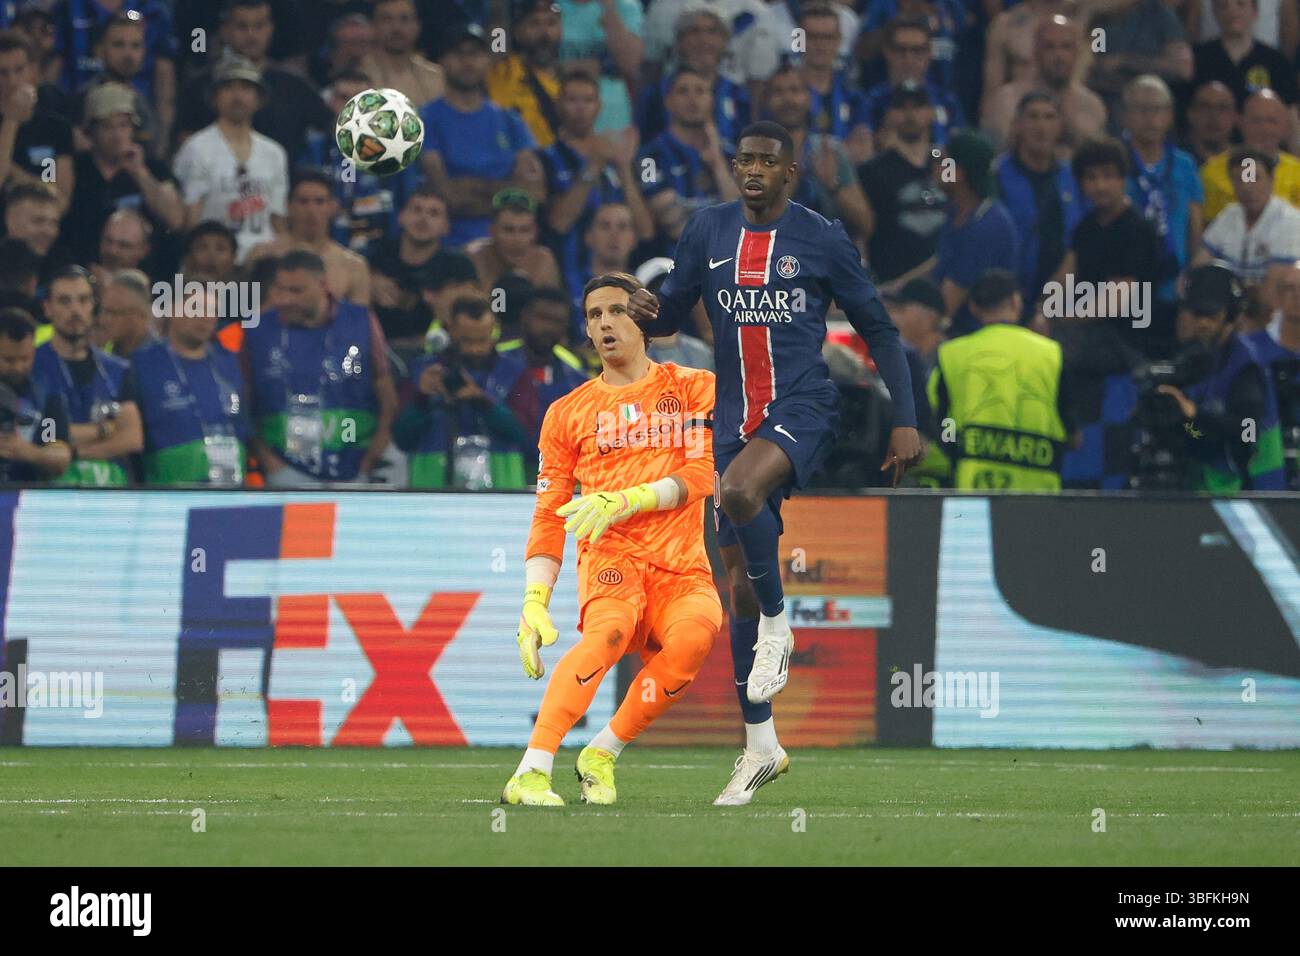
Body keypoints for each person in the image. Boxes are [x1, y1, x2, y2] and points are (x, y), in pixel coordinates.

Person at [627, 120, 921, 805]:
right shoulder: (706, 230)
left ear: (790, 171)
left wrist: (906, 417)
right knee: (734, 585)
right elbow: (672, 314)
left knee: (736, 493)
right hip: (732, 417)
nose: (753, 169)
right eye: (744, 159)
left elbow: (877, 325)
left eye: (767, 160)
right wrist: (647, 312)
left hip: (805, 404)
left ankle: (780, 627)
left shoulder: (821, 236)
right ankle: (760, 745)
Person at [501, 270, 720, 806]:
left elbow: (702, 476)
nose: (605, 323)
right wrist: (534, 600)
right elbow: (551, 511)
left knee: (695, 640)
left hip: (681, 562)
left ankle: (603, 751)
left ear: (645, 318)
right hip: (611, 556)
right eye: (595, 315)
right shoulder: (566, 413)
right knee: (608, 633)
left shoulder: (693, 387)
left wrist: (627, 499)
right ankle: (530, 771)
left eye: (617, 311)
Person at [242, 251, 397, 486]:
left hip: (356, 469)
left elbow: (387, 398)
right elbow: (243, 404)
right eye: (280, 289)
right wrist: (272, 466)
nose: (284, 299)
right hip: (285, 472)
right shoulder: (257, 331)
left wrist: (369, 462)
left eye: (296, 291)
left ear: (323, 285)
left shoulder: (362, 322)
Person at [927, 268, 1073, 489]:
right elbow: (1070, 426)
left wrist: (955, 446)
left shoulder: (951, 353)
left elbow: (940, 420)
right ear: (1016, 302)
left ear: (973, 307)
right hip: (1039, 495)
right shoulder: (1051, 353)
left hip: (972, 489)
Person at [1159, 261, 1286, 490]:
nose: (1203, 322)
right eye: (1197, 313)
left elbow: (1248, 433)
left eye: (1211, 314)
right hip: (1213, 485)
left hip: (1254, 489)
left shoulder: (1245, 364)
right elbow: (1198, 433)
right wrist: (1188, 423)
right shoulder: (1197, 357)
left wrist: (1195, 415)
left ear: (1231, 315)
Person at [420, 24, 545, 248]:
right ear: (443, 61)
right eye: (459, 53)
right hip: (449, 245)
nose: (468, 62)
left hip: (509, 245)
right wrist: (505, 190)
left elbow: (534, 193)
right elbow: (447, 198)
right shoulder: (426, 120)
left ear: (487, 60)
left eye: (476, 54)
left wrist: (470, 186)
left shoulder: (510, 120)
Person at [539, 69, 653, 310]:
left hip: (619, 272)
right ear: (558, 105)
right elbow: (559, 222)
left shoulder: (617, 157)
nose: (580, 108)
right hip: (568, 270)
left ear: (599, 106)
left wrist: (623, 168)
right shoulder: (546, 158)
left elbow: (644, 230)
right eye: (572, 100)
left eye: (588, 100)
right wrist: (594, 164)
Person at [394, 295, 534, 489]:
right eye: (466, 341)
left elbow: (527, 436)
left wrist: (482, 401)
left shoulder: (515, 372)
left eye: (482, 340)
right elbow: (402, 439)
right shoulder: (423, 371)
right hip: (431, 493)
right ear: (450, 330)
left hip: (500, 496)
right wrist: (422, 398)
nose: (475, 349)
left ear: (494, 331)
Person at [175, 0, 333, 164]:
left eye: (259, 26)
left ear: (270, 29)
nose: (251, 35)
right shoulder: (201, 86)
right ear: (225, 30)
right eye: (242, 27)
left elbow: (328, 129)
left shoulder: (295, 86)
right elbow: (184, 140)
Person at [31, 266, 142, 486]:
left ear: (93, 306)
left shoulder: (117, 369)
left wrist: (71, 451)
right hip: (53, 489)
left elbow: (131, 439)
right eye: (65, 301)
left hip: (112, 490)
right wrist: (105, 430)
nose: (75, 310)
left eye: (83, 300)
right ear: (47, 308)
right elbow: (39, 435)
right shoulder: (32, 365)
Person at [173, 55, 288, 262]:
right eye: (228, 88)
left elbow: (277, 220)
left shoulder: (274, 153)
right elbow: (192, 219)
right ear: (215, 97)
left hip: (262, 258)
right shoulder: (197, 147)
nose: (237, 96)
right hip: (214, 258)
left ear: (258, 98)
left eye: (245, 88)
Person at [130, 287, 250, 486]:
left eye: (212, 310)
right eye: (196, 308)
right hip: (170, 492)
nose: (205, 317)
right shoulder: (142, 364)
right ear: (173, 310)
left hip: (231, 487)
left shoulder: (228, 362)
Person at [63, 82, 183, 267]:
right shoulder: (76, 168)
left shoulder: (153, 167)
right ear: (91, 131)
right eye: (107, 127)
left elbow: (175, 219)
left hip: (145, 272)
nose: (117, 135)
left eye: (123, 125)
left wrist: (140, 173)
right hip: (84, 267)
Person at [994, 92, 1084, 313]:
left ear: (1060, 126)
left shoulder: (1073, 178)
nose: (1041, 126)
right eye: (1032, 117)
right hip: (1008, 298)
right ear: (1017, 125)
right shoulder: (996, 175)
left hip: (1066, 301)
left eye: (1049, 117)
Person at [763, 64, 872, 242]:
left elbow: (865, 224)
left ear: (808, 98)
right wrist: (794, 173)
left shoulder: (831, 151)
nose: (788, 99)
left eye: (795, 90)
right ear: (767, 100)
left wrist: (833, 187)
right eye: (778, 92)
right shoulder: (754, 154)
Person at [932, 130, 1021, 336]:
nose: (935, 168)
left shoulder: (987, 227)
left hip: (977, 339)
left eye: (943, 162)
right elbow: (941, 260)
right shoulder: (957, 211)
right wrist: (897, 288)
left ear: (959, 173)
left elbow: (945, 308)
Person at [858, 81, 947, 287]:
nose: (910, 114)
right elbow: (863, 231)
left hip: (943, 284)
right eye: (901, 107)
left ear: (931, 113)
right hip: (892, 285)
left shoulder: (947, 165)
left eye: (917, 106)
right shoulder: (872, 171)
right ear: (889, 115)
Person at [638, 67, 741, 243]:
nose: (692, 100)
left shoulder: (731, 154)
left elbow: (743, 215)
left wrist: (717, 165)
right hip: (673, 261)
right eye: (683, 91)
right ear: (668, 101)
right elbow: (670, 220)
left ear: (711, 100)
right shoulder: (649, 158)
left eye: (700, 91)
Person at [981, 14, 1107, 157]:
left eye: (1066, 47)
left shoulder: (1091, 106)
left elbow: (1097, 161)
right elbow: (994, 155)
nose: (1058, 56)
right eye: (1049, 47)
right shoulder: (1008, 100)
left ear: (1077, 53)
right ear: (1035, 52)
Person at [496, 284, 588, 477]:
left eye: (557, 321)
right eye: (542, 318)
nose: (549, 328)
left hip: (554, 478)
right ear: (524, 316)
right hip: (503, 475)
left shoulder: (577, 381)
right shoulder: (496, 364)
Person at [245, 168, 371, 306]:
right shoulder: (261, 255)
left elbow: (359, 322)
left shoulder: (353, 266)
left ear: (332, 207)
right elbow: (244, 312)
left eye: (319, 202)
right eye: (303, 201)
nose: (311, 210)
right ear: (289, 206)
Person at [1198, 146, 1300, 308]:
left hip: (1273, 319)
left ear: (1271, 179)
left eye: (1256, 178)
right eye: (1240, 179)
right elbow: (1199, 268)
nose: (1247, 188)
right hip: (1226, 314)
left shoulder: (1291, 221)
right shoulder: (1228, 216)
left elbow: (1272, 294)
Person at [0, 30, 74, 216]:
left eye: (19, 70)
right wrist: (11, 121)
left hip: (46, 229)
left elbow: (61, 201)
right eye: (3, 73)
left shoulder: (56, 128)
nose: (12, 81)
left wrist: (13, 171)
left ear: (33, 70)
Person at [1200, 90, 1300, 222]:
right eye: (1256, 120)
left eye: (1272, 121)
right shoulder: (1212, 173)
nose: (1264, 128)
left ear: (1285, 126)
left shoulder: (1297, 172)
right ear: (1241, 122)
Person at [0, 306, 71, 483]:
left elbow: (60, 457)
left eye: (25, 359)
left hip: (25, 494)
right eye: (8, 359)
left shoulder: (46, 396)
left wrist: (28, 452)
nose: (17, 367)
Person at [1193, 0, 1299, 106]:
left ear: (1255, 11)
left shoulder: (1275, 61)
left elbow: (1289, 108)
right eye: (1224, 6)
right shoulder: (1199, 58)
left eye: (1240, 4)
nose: (1233, 12)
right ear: (1215, 12)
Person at [487, 0, 563, 148]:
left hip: (557, 165)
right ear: (518, 32)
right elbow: (497, 26)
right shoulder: (503, 70)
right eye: (534, 24)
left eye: (551, 23)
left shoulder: (570, 79)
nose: (544, 32)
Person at [467, 188, 562, 292]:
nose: (517, 239)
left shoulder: (543, 260)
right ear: (492, 231)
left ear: (535, 233)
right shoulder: (475, 258)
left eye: (525, 230)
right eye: (508, 230)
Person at [360, 0, 444, 108]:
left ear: (417, 26)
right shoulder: (359, 74)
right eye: (387, 19)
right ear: (374, 26)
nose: (396, 28)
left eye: (404, 19)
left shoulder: (437, 78)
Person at [97, 268, 156, 357]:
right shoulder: (105, 353)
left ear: (139, 316)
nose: (102, 320)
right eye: (103, 311)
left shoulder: (159, 361)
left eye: (113, 313)